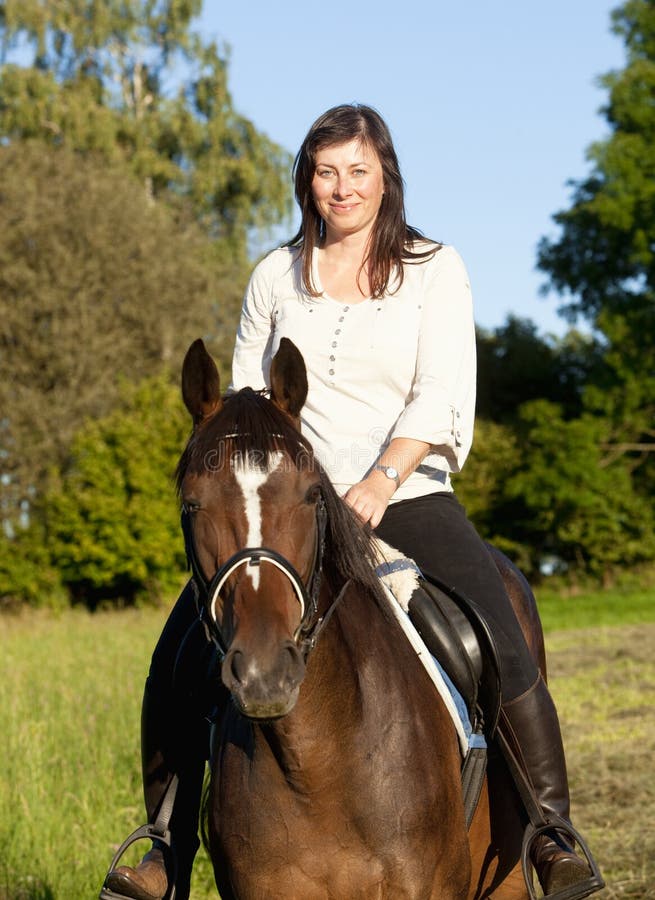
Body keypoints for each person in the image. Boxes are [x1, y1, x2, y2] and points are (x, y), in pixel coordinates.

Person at [103, 104, 601, 900]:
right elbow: (246, 401)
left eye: (357, 171)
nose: (342, 188)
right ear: (308, 181)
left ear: (384, 178)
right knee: (181, 649)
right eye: (326, 172)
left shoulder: (434, 268)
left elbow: (439, 391)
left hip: (401, 494)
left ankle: (549, 831)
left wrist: (380, 479)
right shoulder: (274, 275)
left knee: (496, 625)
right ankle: (164, 847)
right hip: (290, 506)